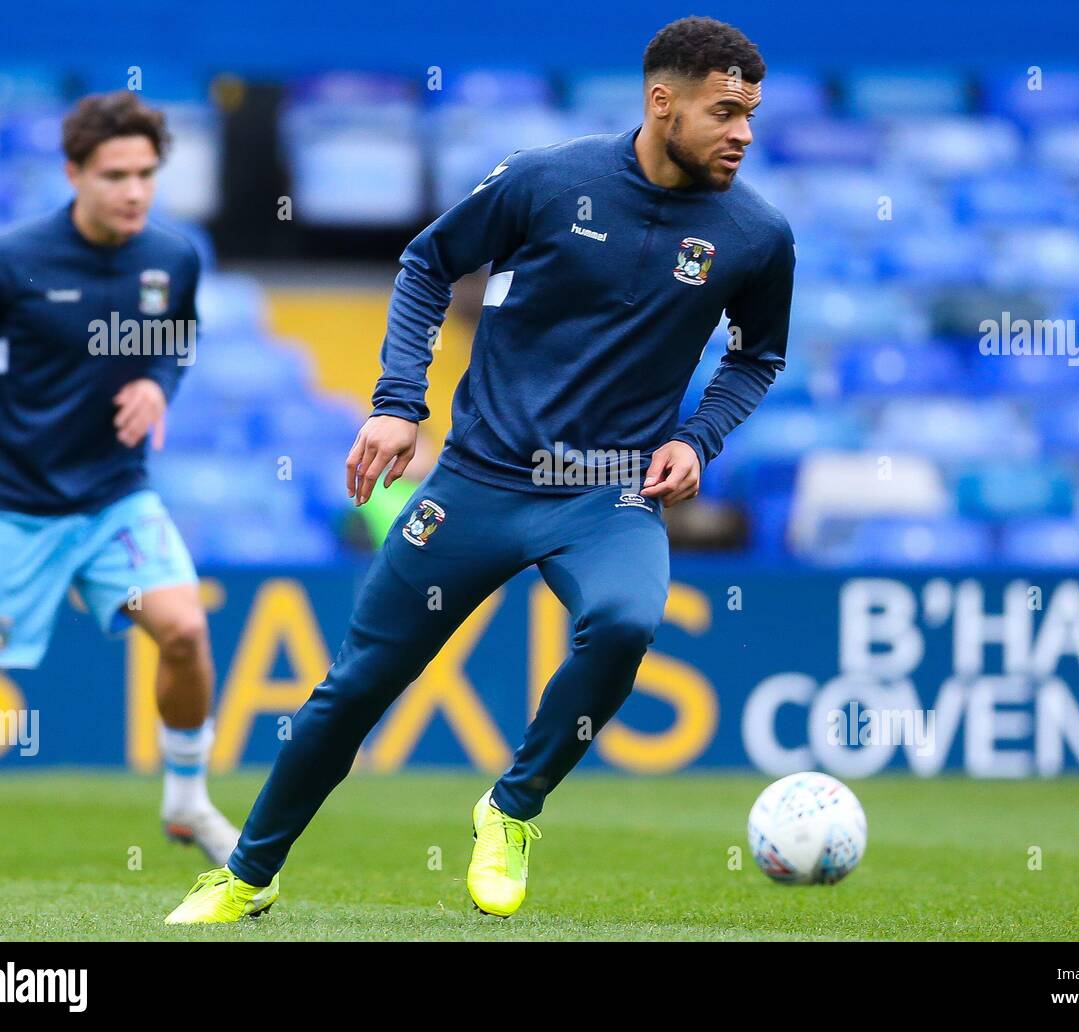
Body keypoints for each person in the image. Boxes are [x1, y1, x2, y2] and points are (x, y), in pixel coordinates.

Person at [166, 15, 794, 923]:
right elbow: (427, 261)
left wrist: (697, 439)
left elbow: (756, 357)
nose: (743, 132)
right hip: (479, 483)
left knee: (622, 622)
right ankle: (246, 874)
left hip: (608, 496)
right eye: (725, 111)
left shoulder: (755, 233)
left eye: (753, 114)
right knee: (355, 688)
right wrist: (394, 403)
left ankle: (512, 808)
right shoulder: (549, 180)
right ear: (663, 102)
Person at [0, 91, 239, 866]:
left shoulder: (171, 256)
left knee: (184, 628)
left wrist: (156, 386)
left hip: (115, 498)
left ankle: (186, 799)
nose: (134, 190)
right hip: (18, 508)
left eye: (145, 173)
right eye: (115, 175)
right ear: (74, 173)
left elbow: (177, 338)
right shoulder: (11, 262)